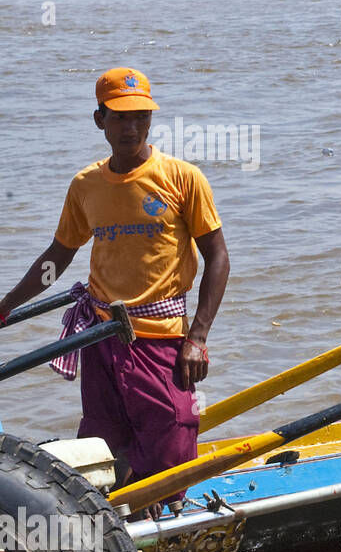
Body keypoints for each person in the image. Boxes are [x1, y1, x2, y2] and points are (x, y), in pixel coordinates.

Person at [0, 68, 229, 515]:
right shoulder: (86, 186)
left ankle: (166, 513)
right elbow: (58, 256)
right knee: (104, 438)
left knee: (174, 430)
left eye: (140, 116)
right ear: (99, 119)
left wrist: (198, 338)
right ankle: (120, 514)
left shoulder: (182, 178)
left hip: (161, 336)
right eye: (119, 117)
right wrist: (6, 307)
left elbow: (217, 257)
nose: (131, 128)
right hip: (102, 335)